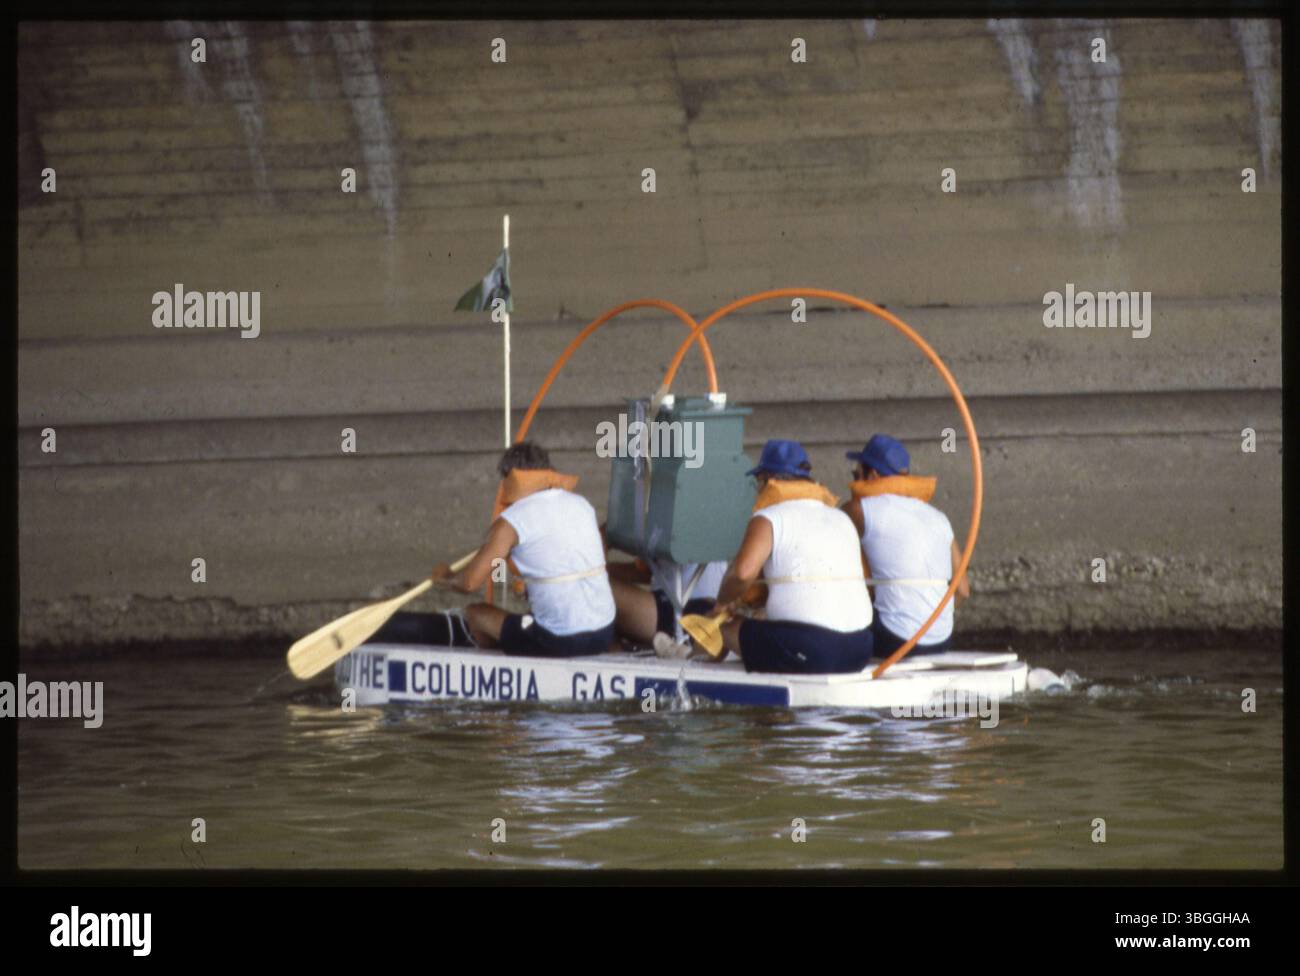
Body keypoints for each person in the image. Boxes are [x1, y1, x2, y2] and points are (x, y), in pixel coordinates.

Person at [706, 439, 874, 674]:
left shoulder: (768, 517)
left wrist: (722, 602)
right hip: (861, 648)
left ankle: (689, 658)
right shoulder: (840, 517)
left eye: (758, 482)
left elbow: (742, 574)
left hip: (815, 650)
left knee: (720, 628)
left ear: (766, 480)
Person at [435, 441, 616, 656]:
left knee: (476, 613)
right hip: (605, 631)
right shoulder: (581, 504)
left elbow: (470, 583)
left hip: (561, 640)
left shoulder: (512, 522)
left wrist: (446, 578)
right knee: (531, 612)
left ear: (509, 479)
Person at [842, 434, 969, 657]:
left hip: (894, 640)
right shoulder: (939, 517)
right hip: (942, 639)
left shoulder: (859, 510)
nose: (855, 481)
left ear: (873, 475)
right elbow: (962, 590)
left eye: (856, 474)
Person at [606, 557, 727, 648]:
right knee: (599, 593)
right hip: (680, 607)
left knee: (598, 590)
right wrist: (602, 571)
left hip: (689, 614)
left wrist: (597, 574)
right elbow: (648, 571)